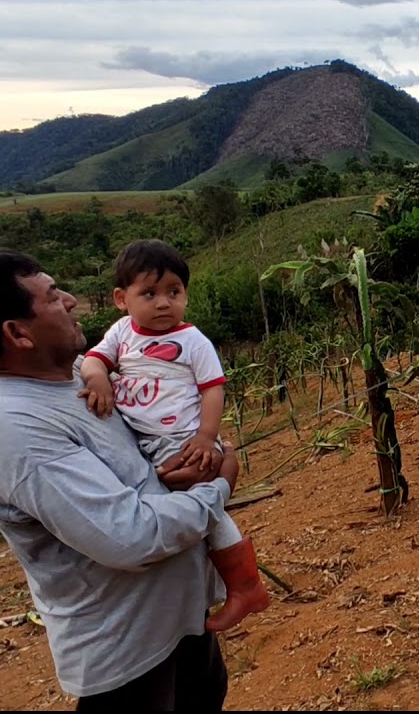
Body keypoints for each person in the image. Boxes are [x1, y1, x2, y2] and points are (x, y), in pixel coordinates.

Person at [0, 247, 239, 711]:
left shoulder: (78, 375)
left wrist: (194, 457)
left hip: (177, 622)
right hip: (127, 654)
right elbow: (130, 538)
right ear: (17, 333)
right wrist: (219, 486)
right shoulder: (13, 426)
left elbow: (147, 451)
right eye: (53, 297)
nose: (72, 300)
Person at [78, 239, 269, 633]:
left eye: (174, 292)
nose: (163, 303)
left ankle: (245, 585)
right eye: (149, 293)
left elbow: (212, 389)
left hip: (184, 437)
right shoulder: (120, 333)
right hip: (143, 443)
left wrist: (206, 436)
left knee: (198, 505)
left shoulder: (193, 341)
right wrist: (97, 379)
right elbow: (95, 358)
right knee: (176, 514)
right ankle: (207, 593)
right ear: (121, 298)